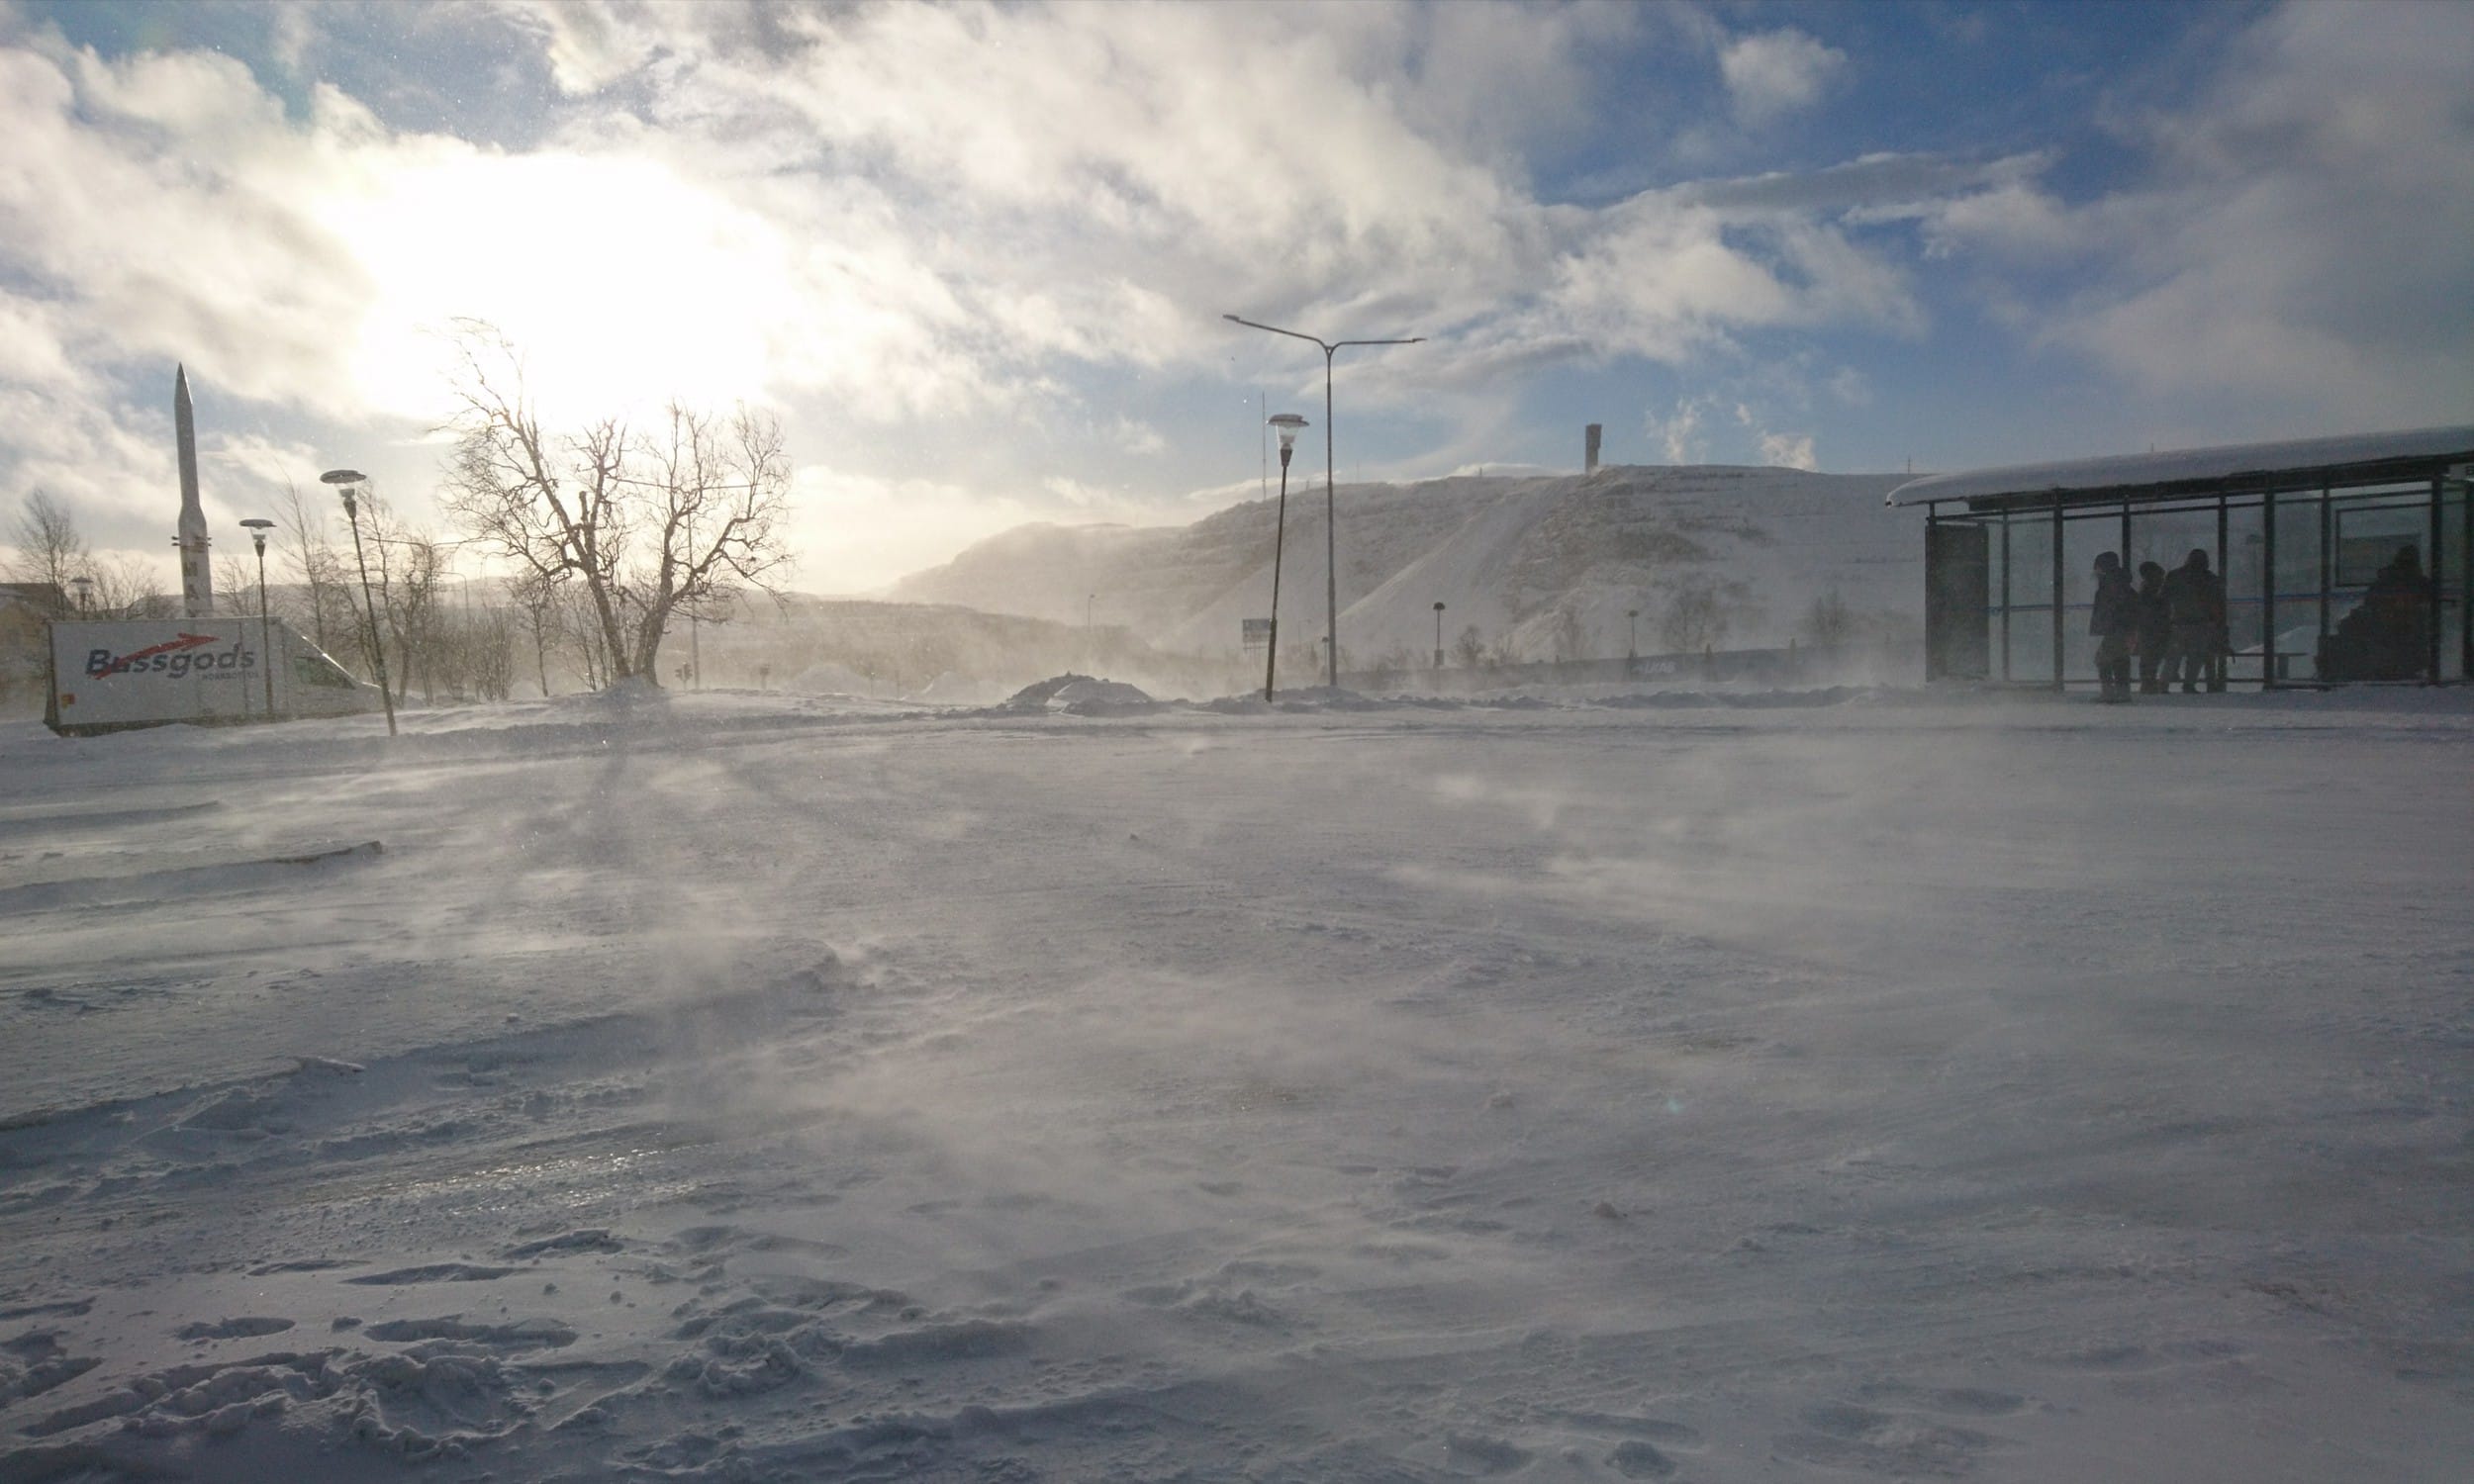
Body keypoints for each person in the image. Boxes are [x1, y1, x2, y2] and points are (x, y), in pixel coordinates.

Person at [2160, 547, 2226, 694]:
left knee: (2173, 657)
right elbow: (2217, 602)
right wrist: (2216, 622)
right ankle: (2189, 684)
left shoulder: (2175, 576)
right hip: (2202, 623)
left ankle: (2163, 684)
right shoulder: (2210, 579)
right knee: (2195, 657)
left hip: (2179, 622)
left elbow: (2163, 598)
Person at [2089, 551, 2136, 701]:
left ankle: (2109, 693)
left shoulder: (2110, 585)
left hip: (2116, 628)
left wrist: (2105, 625)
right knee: (2119, 659)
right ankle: (2122, 692)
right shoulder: (2121, 583)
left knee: (2103, 659)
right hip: (2123, 628)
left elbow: (2110, 608)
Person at [2133, 560, 2170, 694]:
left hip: (2149, 628)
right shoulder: (2157, 590)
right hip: (2157, 628)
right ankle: (2150, 683)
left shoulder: (2146, 590)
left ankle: (2148, 683)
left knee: (2148, 658)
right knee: (2153, 658)